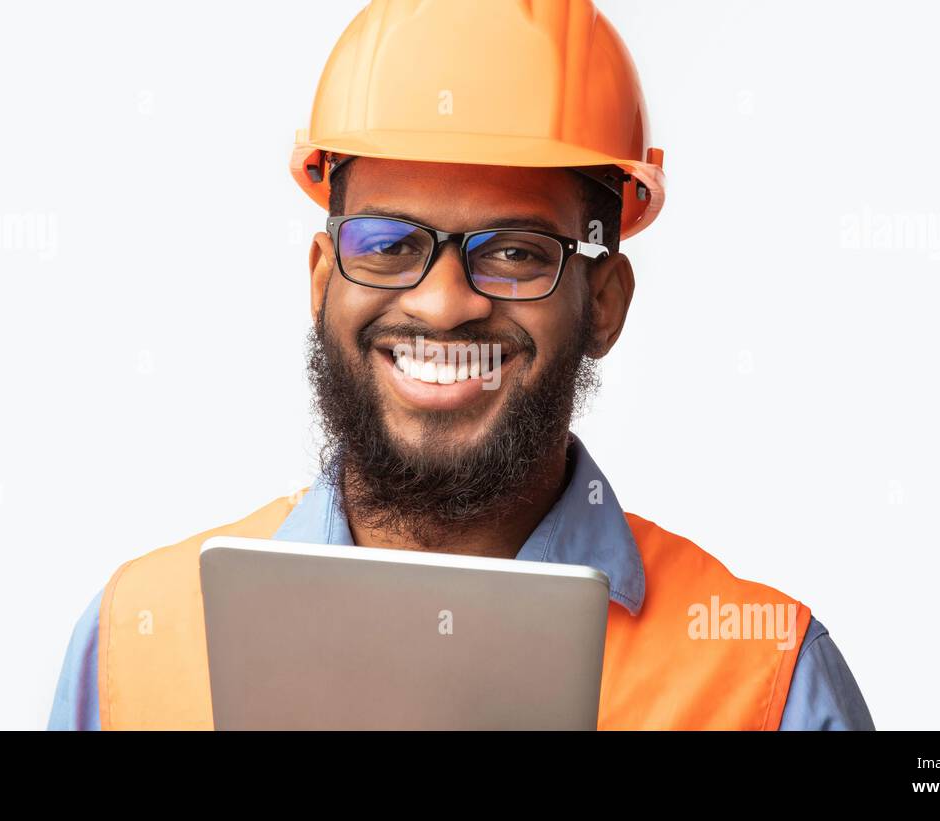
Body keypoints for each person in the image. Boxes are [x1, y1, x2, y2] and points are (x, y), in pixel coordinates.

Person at [49, 0, 873, 730]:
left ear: (607, 302)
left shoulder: (763, 683)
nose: (443, 305)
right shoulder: (135, 646)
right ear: (320, 278)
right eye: (388, 242)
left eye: (515, 251)